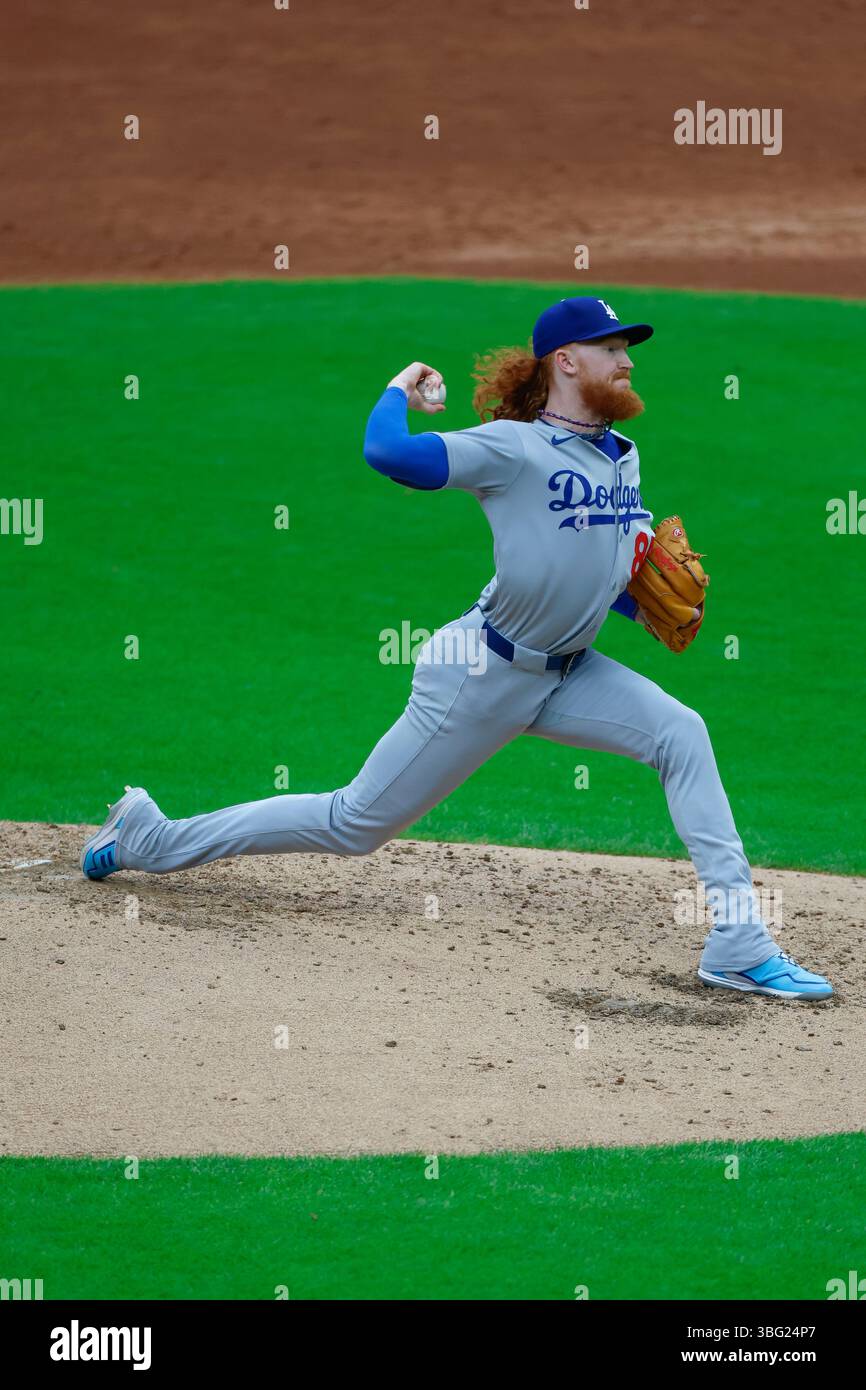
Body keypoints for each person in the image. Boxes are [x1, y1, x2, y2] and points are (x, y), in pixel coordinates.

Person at [81, 296, 832, 1001]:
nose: (627, 360)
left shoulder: (623, 458)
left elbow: (594, 564)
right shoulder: (510, 450)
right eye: (612, 348)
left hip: (569, 674)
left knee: (682, 733)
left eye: (627, 347)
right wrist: (397, 388)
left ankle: (737, 941)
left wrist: (642, 601)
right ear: (565, 361)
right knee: (352, 825)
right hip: (481, 675)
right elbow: (389, 454)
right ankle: (150, 834)